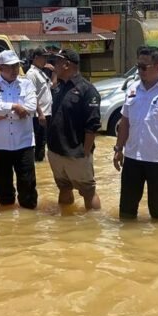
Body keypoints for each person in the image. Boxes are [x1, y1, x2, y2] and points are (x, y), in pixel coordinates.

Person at [113, 46, 158, 219]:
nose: (139, 71)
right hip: (132, 159)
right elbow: (125, 122)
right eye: (138, 66)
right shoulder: (133, 89)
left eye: (143, 67)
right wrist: (118, 149)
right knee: (126, 209)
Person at [0, 50, 38, 209]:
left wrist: (2, 114)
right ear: (0, 68)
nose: (15, 70)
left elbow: (31, 107)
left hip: (24, 143)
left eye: (17, 66)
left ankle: (28, 226)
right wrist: (13, 107)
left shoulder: (26, 83)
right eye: (10, 67)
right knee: (3, 192)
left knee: (28, 189)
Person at [46, 49, 102, 210]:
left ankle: (92, 228)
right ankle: (66, 224)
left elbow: (92, 125)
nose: (53, 64)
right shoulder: (59, 87)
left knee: (88, 191)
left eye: (57, 61)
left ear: (66, 64)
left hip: (76, 152)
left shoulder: (87, 90)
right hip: (56, 150)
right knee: (63, 187)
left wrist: (85, 152)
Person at [25, 47, 53, 162]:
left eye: (47, 57)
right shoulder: (31, 74)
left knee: (44, 141)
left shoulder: (41, 72)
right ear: (36, 58)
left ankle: (40, 163)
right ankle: (37, 162)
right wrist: (40, 113)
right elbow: (32, 95)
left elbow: (53, 85)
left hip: (47, 112)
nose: (46, 60)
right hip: (39, 115)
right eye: (44, 57)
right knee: (39, 141)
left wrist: (54, 71)